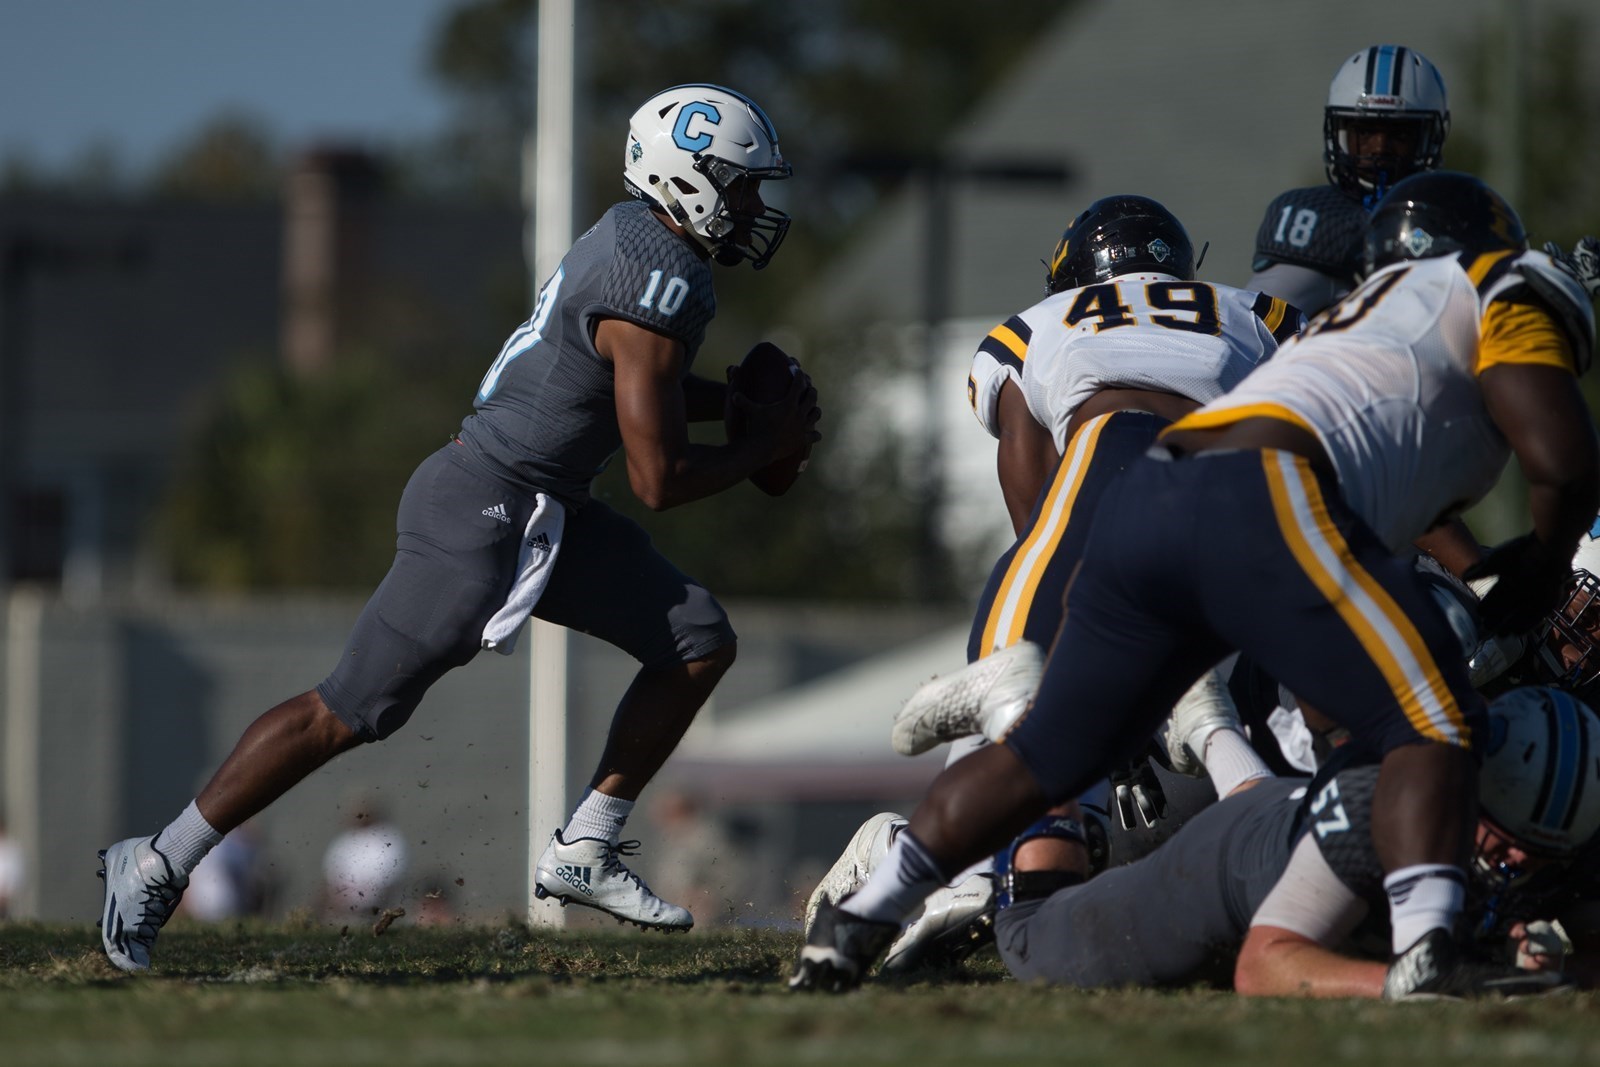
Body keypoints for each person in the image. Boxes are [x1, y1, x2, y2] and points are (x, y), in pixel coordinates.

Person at [791, 172, 1599, 998]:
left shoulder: (1371, 331)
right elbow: (1564, 464)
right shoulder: (1507, 287)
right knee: (1434, 716)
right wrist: (1537, 569)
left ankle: (857, 920)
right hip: (1268, 491)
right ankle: (1429, 951)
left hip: (1155, 498)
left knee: (1048, 752)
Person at [98, 83, 821, 972]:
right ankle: (158, 860)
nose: (751, 206)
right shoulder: (657, 275)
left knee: (698, 638)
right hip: (483, 503)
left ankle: (584, 847)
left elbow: (635, 390)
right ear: (688, 179)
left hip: (543, 507)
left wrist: (738, 417)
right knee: (352, 710)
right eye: (739, 186)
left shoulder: (649, 248)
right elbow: (657, 476)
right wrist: (760, 443)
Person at [805, 194, 1299, 965]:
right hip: (1228, 496)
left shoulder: (1036, 326)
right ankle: (942, 867)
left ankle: (931, 862)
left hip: (1108, 484)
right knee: (1174, 744)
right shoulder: (1257, 310)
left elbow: (1037, 512)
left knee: (1035, 715)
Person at [993, 686, 1600, 997]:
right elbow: (1264, 966)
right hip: (1230, 864)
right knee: (1030, 938)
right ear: (1471, 793)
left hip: (1282, 804)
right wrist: (1414, 981)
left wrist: (1548, 968)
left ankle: (1212, 727)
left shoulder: (1544, 825)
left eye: (1540, 854)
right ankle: (1022, 716)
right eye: (1509, 842)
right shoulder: (1379, 816)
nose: (1518, 863)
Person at [1249, 45, 1450, 316]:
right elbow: (1255, 323)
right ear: (1339, 132)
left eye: (1399, 134)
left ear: (1431, 137)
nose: (1379, 148)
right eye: (1365, 132)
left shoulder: (1456, 216)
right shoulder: (1317, 219)